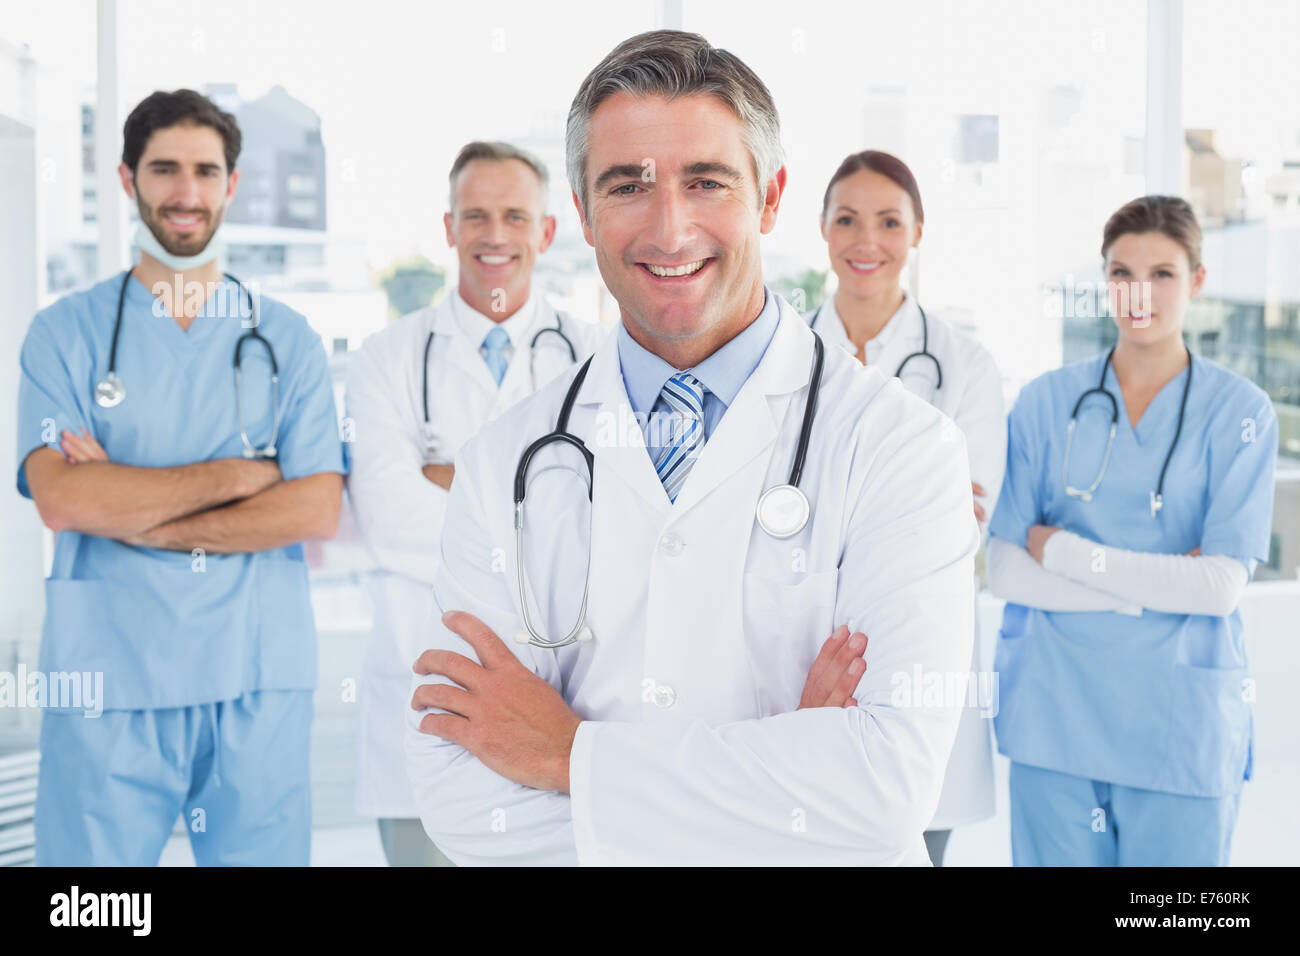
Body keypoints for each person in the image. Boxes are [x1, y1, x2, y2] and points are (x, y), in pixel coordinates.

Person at [403, 30, 979, 865]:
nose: (670, 229)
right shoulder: (505, 462)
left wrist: (563, 753)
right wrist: (786, 776)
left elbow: (883, 792)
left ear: (771, 195)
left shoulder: (903, 447)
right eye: (627, 185)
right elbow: (462, 801)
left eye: (706, 182)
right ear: (586, 208)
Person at [17, 89, 345, 866]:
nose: (186, 193)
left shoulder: (287, 338)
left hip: (254, 679)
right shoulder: (63, 333)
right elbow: (62, 497)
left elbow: (315, 508)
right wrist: (242, 475)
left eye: (205, 170)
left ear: (232, 184)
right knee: (94, 913)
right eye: (165, 169)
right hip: (107, 680)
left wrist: (128, 507)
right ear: (129, 179)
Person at [986, 195, 1277, 866]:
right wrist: (1153, 587)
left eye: (1163, 274)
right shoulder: (1044, 403)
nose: (1137, 294)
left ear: (1198, 280)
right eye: (1121, 273)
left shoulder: (1242, 414)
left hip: (1180, 725)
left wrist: (1061, 552)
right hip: (1056, 720)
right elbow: (1005, 569)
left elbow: (1219, 588)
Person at [345, 141, 605, 866]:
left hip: (559, 700)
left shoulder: (598, 358)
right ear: (450, 226)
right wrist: (538, 502)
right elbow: (388, 519)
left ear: (546, 232)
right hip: (419, 686)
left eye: (515, 215)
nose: (496, 235)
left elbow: (613, 523)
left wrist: (449, 477)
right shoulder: (387, 358)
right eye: (477, 216)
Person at [811, 150, 1006, 865]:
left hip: (922, 655)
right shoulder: (780, 356)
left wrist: (823, 510)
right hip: (799, 653)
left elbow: (962, 522)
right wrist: (907, 497)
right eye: (848, 219)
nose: (868, 241)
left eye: (889, 222)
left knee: (913, 839)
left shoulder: (966, 366)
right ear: (823, 230)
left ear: (918, 231)